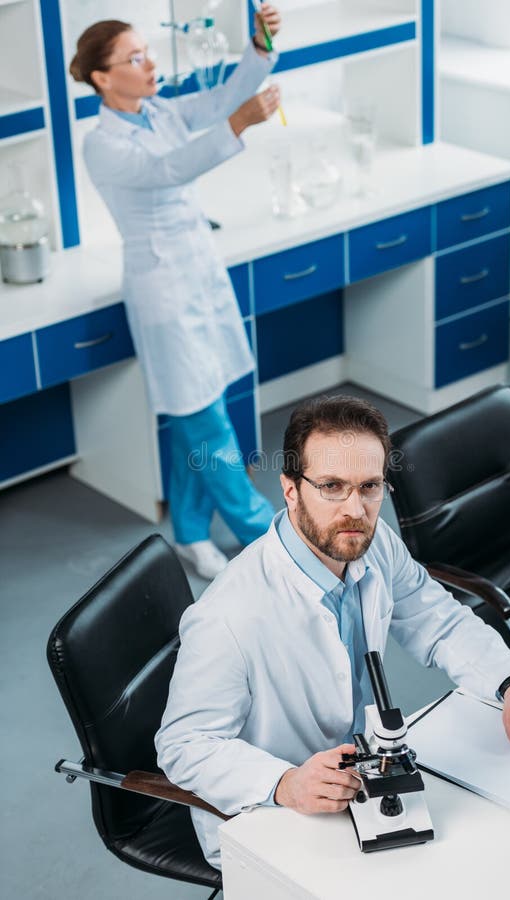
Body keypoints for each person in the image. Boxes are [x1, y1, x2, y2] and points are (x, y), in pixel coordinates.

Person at [155, 394, 510, 868]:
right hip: (275, 813)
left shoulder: (370, 543)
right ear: (290, 489)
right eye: (331, 486)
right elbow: (184, 746)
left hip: (364, 774)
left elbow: (439, 621)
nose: (355, 509)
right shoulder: (228, 615)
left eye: (369, 486)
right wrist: (285, 783)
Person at [70, 6, 282, 579]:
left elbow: (218, 102)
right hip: (162, 289)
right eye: (134, 58)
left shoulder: (158, 109)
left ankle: (189, 532)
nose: (149, 63)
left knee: (201, 405)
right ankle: (267, 536)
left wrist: (259, 49)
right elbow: (168, 169)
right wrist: (238, 124)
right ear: (101, 78)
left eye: (148, 51)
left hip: (198, 274)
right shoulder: (102, 145)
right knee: (205, 420)